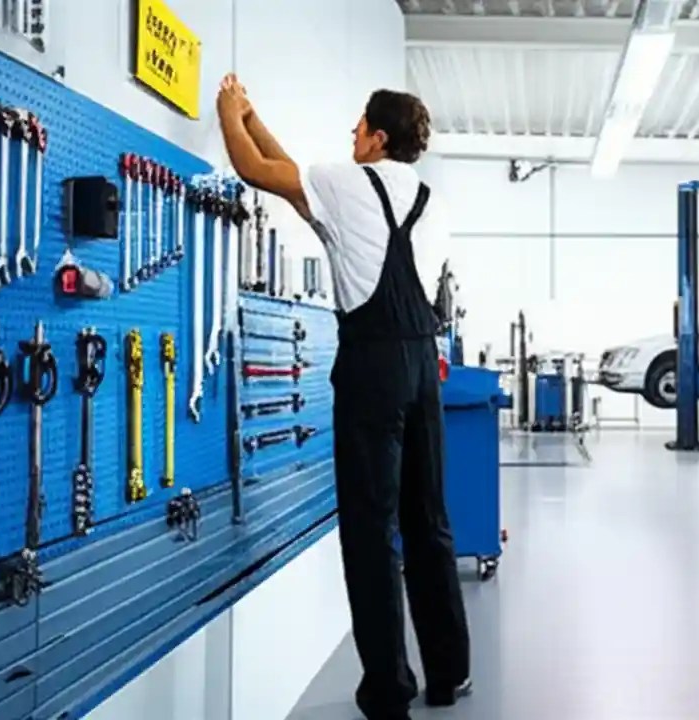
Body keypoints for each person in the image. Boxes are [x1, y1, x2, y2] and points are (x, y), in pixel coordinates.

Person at [215, 75, 471, 720]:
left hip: (373, 366)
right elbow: (291, 168)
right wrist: (256, 113)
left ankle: (388, 691)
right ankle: (450, 673)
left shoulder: (341, 181)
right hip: (423, 364)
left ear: (377, 137)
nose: (350, 136)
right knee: (428, 522)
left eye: (357, 126)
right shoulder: (435, 200)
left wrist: (229, 114)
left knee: (370, 528)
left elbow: (258, 170)